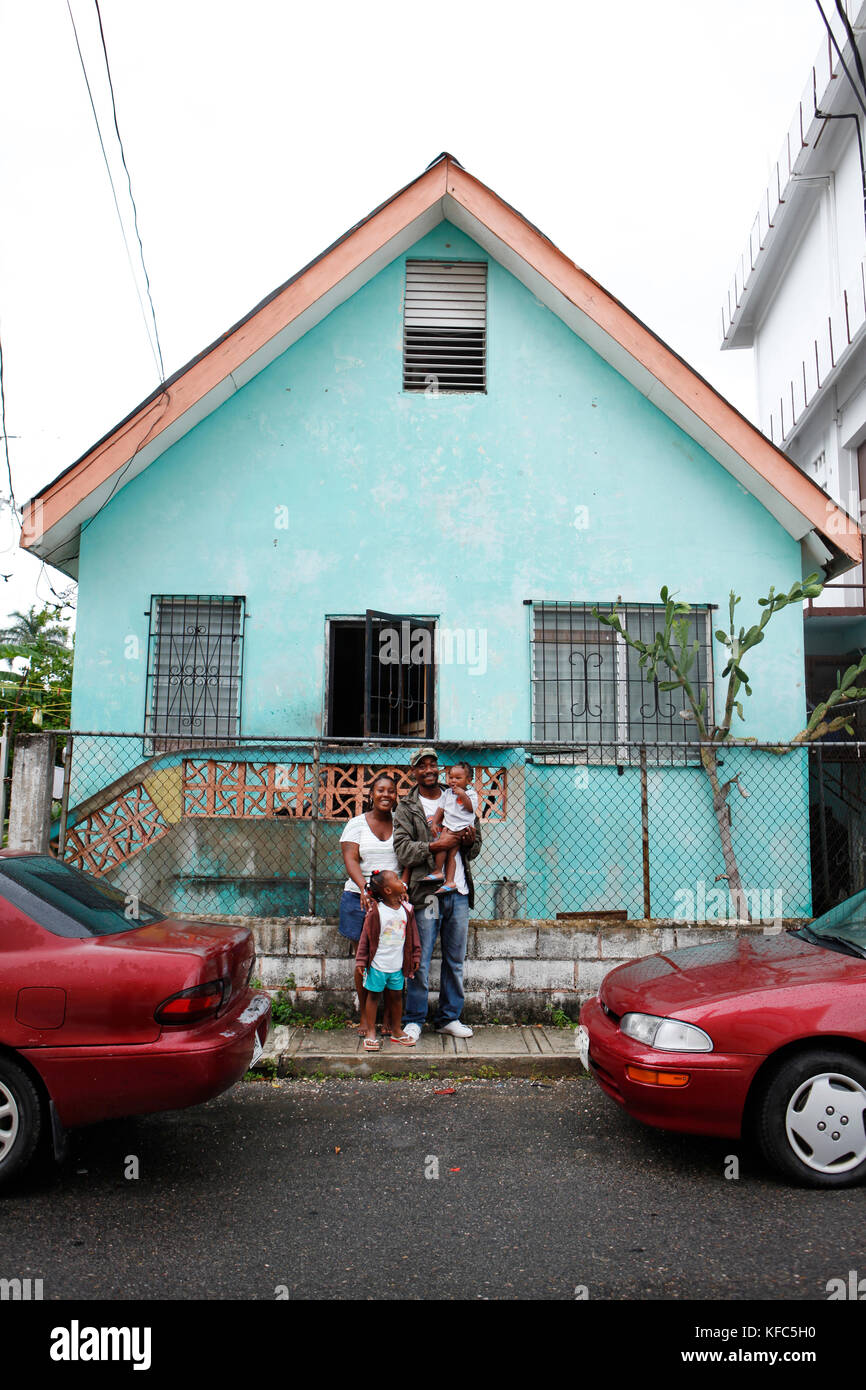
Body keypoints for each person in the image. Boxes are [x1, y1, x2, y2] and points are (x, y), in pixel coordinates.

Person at [392, 747, 482, 1042]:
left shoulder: (456, 793)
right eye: (422, 766)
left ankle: (449, 1018)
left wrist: (467, 841)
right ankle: (415, 1019)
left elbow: (476, 845)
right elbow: (403, 849)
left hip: (458, 892)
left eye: (433, 765)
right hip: (427, 893)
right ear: (414, 772)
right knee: (421, 957)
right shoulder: (407, 806)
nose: (429, 770)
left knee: (455, 959)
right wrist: (434, 845)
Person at [339, 772, 401, 1036]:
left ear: (396, 796)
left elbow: (408, 860)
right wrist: (365, 887)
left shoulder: (402, 824)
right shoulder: (356, 824)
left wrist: (403, 889)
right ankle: (365, 1017)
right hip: (359, 898)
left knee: (391, 959)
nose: (386, 795)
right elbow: (351, 859)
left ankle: (388, 1017)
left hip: (392, 903)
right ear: (371, 794)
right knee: (363, 959)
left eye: (391, 791)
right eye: (380, 790)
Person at [354, 869, 421, 1051]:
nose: (402, 882)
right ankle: (370, 1032)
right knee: (373, 997)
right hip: (378, 966)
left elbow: (413, 935)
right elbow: (365, 938)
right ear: (388, 891)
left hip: (397, 966)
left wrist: (415, 955)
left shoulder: (407, 910)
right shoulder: (376, 912)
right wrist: (361, 960)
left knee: (397, 998)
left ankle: (397, 1030)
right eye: (397, 879)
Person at [421, 760, 479, 893]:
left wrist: (462, 794)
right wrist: (435, 823)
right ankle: (449, 881)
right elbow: (440, 810)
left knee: (443, 847)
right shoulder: (447, 793)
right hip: (450, 827)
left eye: (458, 778)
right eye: (451, 777)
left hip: (462, 829)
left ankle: (438, 872)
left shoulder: (471, 794)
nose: (453, 780)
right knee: (450, 853)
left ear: (469, 780)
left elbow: (470, 809)